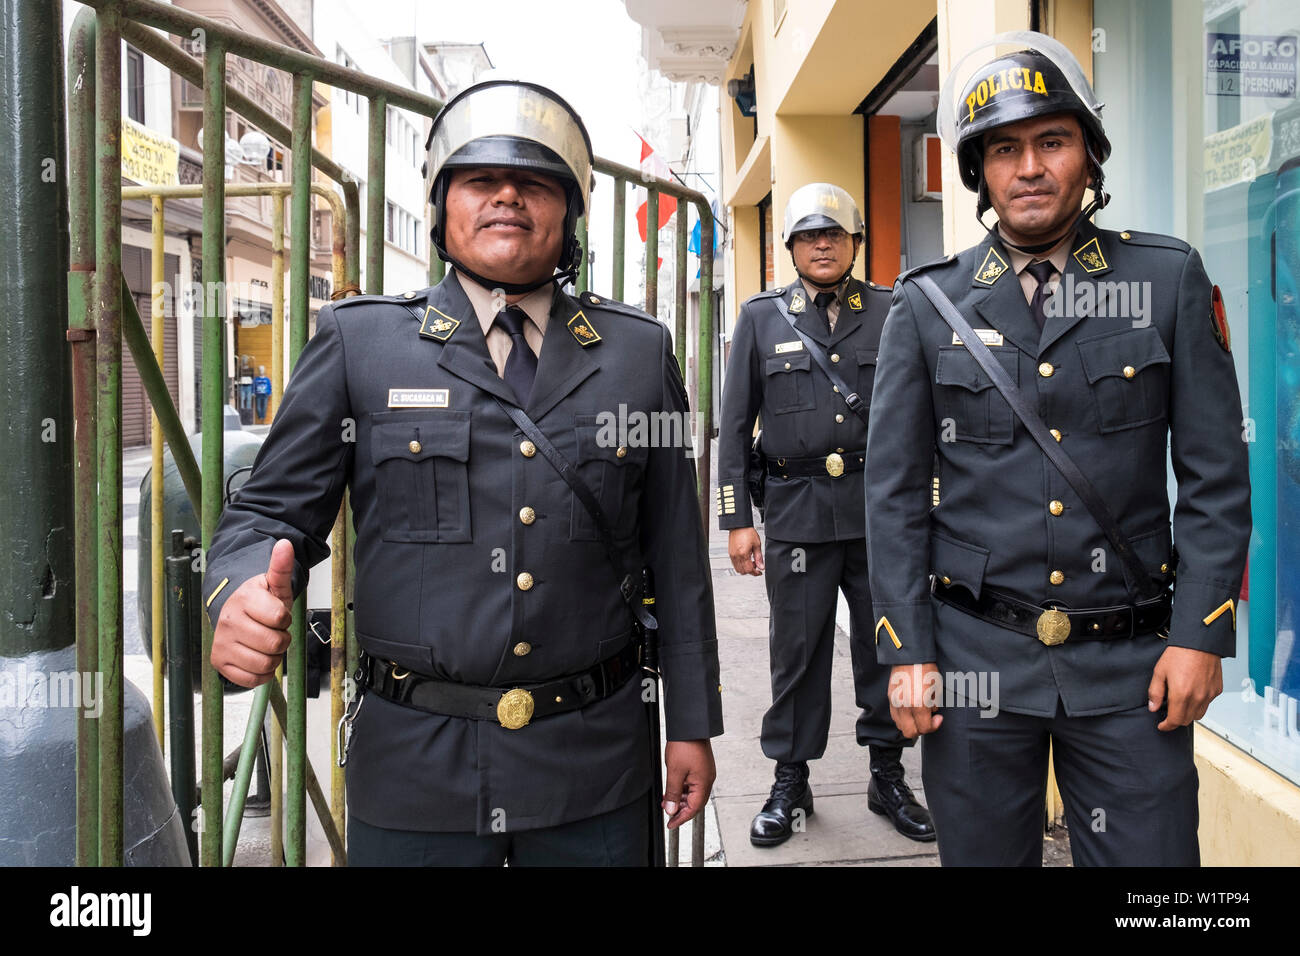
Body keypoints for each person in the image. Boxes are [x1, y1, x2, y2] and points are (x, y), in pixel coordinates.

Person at [202, 79, 722, 866]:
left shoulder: (637, 355)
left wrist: (689, 721)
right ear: (443, 207)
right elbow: (267, 516)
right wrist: (236, 587)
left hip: (595, 765)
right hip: (417, 768)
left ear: (570, 213)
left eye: (537, 182)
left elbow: (679, 561)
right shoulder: (361, 343)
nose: (508, 195)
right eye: (481, 180)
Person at [865, 32, 1250, 866]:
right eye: (1003, 149)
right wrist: (906, 651)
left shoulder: (1166, 278)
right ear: (978, 172)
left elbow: (1216, 477)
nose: (1029, 168)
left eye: (1051, 141)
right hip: (974, 661)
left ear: (1089, 156)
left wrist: (1202, 634)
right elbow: (893, 496)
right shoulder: (929, 305)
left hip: (1133, 665)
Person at [717, 183, 934, 847]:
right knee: (797, 652)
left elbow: (918, 415)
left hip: (878, 515)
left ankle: (887, 774)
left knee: (884, 647)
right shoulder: (761, 318)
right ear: (789, 247)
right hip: (797, 515)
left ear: (855, 243)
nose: (822, 244)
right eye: (809, 235)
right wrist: (735, 520)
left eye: (834, 235)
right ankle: (790, 777)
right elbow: (733, 426)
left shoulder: (893, 309)